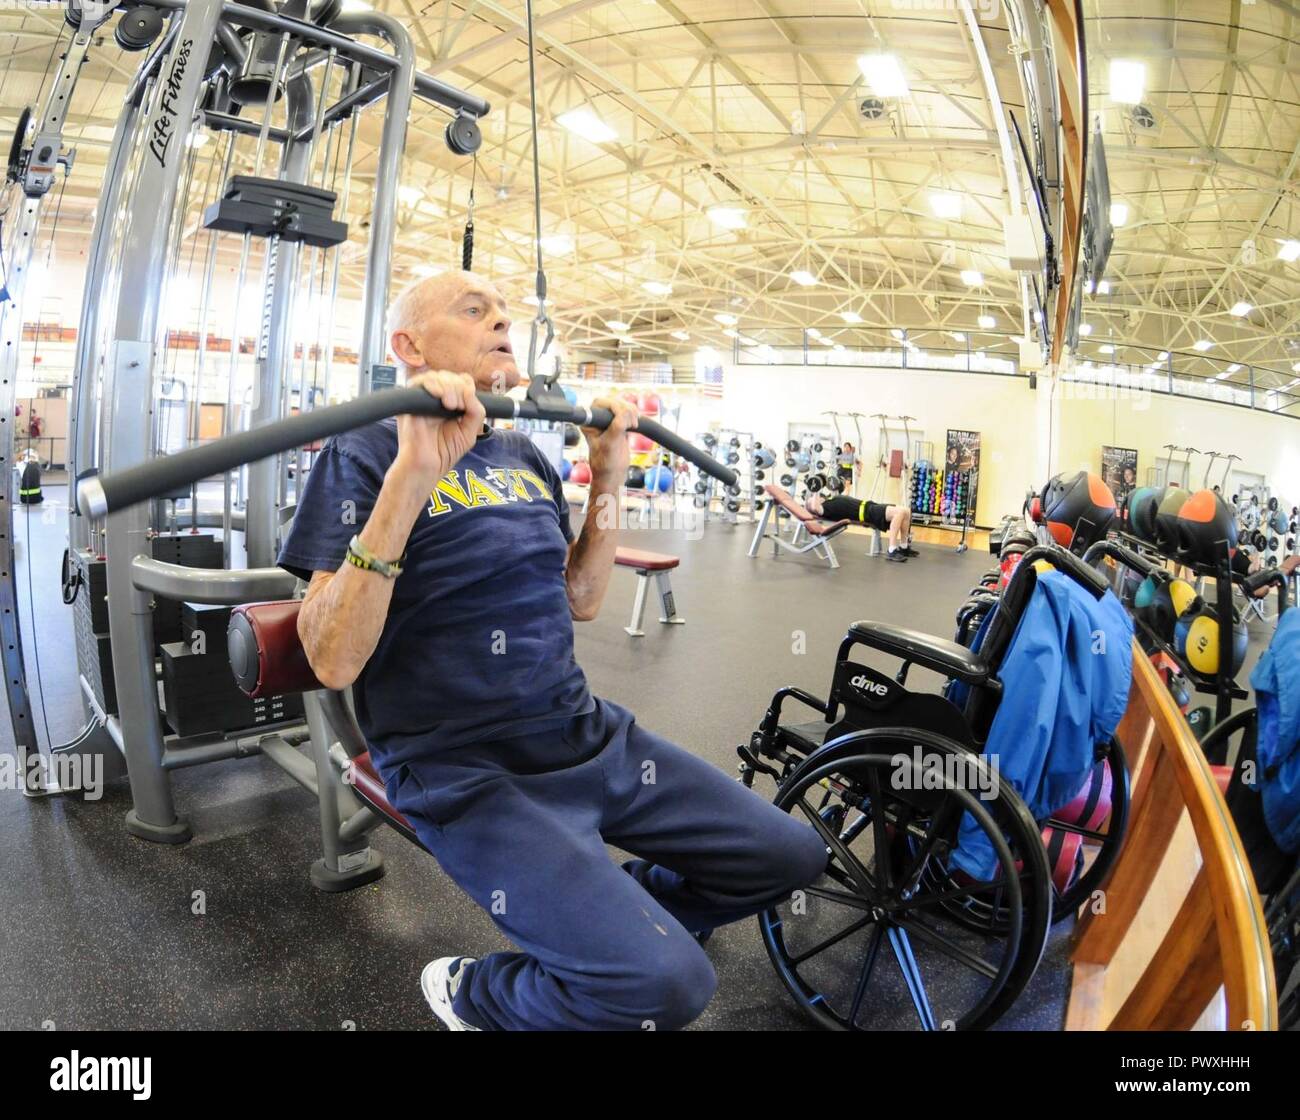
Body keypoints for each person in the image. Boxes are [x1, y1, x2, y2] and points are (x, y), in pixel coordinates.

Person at [278, 271, 827, 1031]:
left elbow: (583, 597)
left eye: (506, 314)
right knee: (668, 988)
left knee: (791, 857)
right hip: (462, 765)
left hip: (585, 733)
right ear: (408, 346)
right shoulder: (366, 451)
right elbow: (332, 659)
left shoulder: (522, 456)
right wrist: (412, 478)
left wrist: (608, 470)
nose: (503, 324)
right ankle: (477, 993)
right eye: (475, 313)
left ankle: (635, 917)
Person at [806, 490, 917, 562]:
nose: (816, 498)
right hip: (866, 513)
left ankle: (903, 547)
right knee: (899, 513)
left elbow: (843, 489)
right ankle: (892, 550)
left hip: (870, 506)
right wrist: (815, 491)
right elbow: (815, 508)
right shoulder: (824, 509)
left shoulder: (831, 500)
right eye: (813, 500)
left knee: (906, 511)